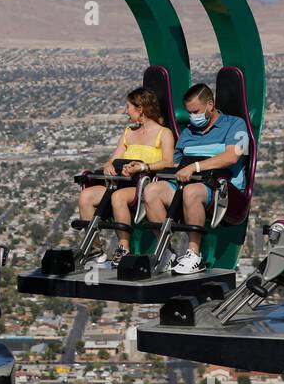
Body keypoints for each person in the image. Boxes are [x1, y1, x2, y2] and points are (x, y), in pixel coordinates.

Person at [140, 82, 249, 274]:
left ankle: (194, 254)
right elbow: (176, 163)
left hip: (221, 186)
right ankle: (166, 252)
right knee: (151, 191)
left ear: (210, 105)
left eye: (196, 111)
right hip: (187, 182)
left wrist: (196, 166)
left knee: (191, 192)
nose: (193, 117)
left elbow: (233, 156)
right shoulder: (188, 132)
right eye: (190, 112)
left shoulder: (235, 124)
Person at [77, 87, 174, 264]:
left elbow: (168, 162)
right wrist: (108, 167)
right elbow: (113, 159)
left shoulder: (163, 133)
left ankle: (124, 247)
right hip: (121, 181)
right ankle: (95, 249)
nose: (126, 112)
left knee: (118, 197)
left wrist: (143, 166)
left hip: (143, 183)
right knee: (86, 196)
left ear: (140, 109)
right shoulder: (129, 132)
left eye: (128, 107)